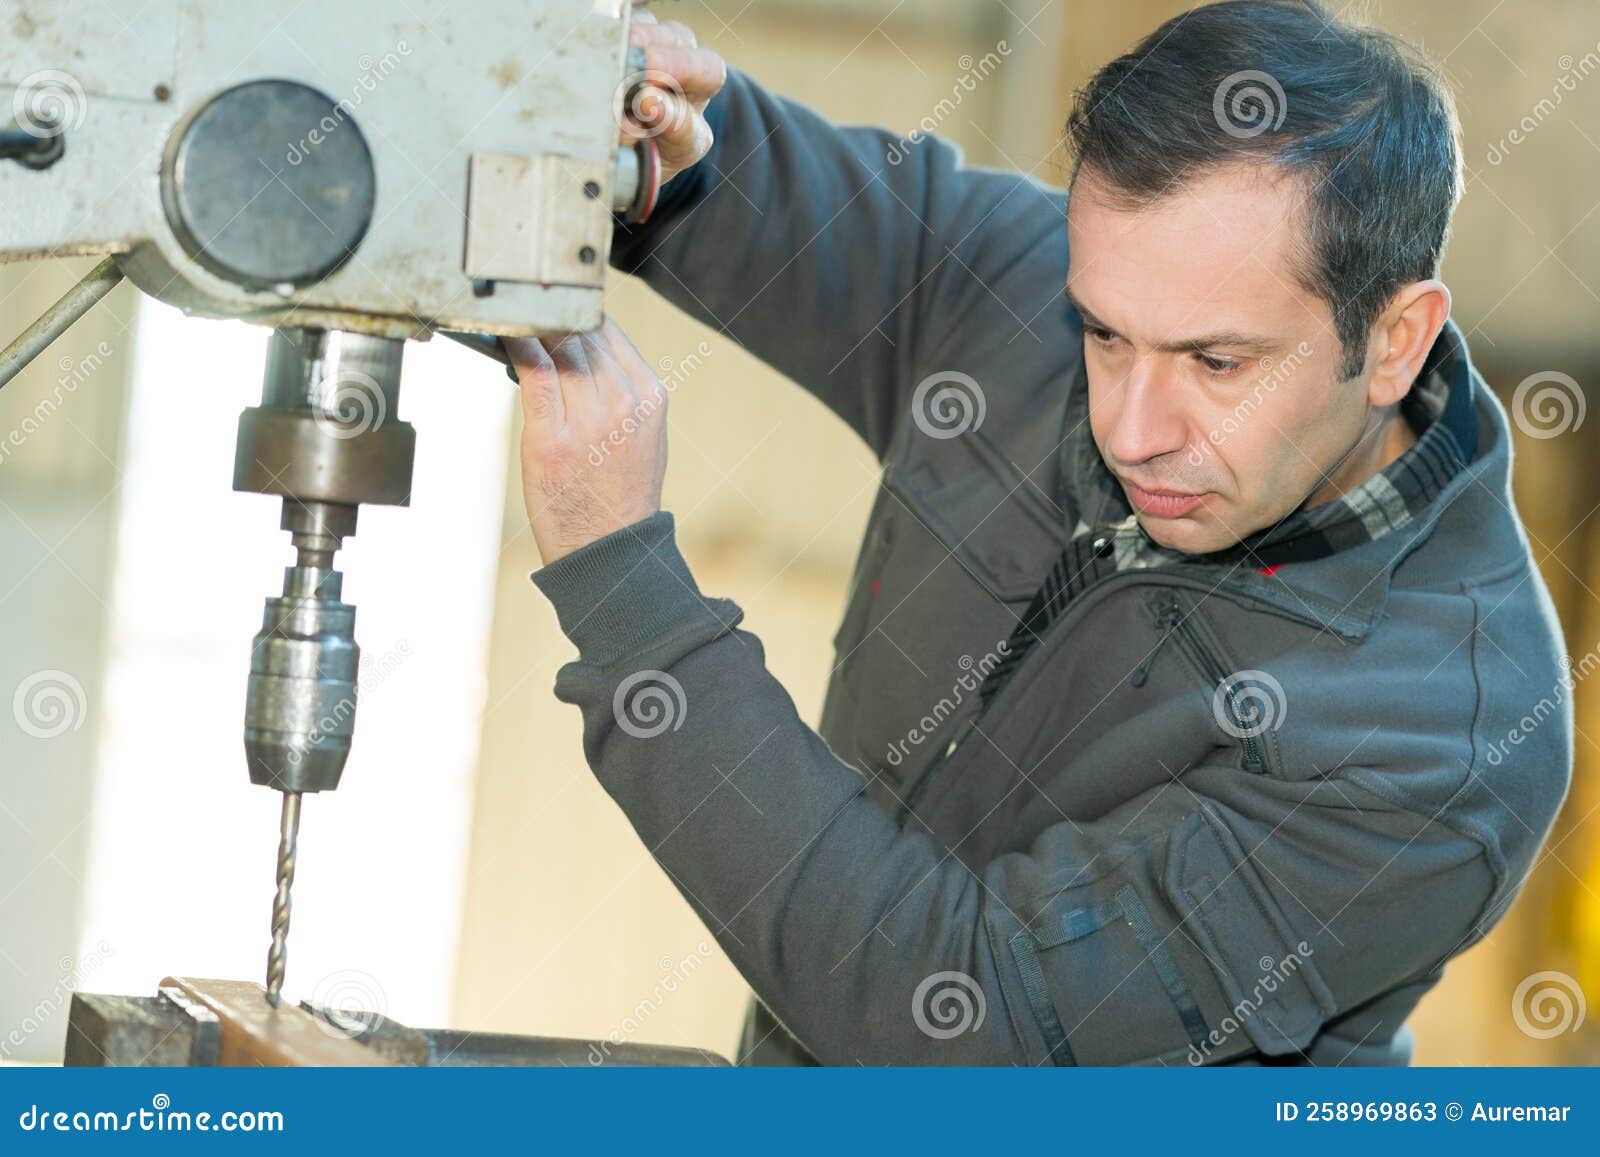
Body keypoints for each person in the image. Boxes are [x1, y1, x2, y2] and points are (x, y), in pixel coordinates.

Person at [505, 0, 1573, 1065]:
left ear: (1393, 342)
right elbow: (804, 217)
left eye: (1217, 363)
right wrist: (659, 154)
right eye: (1105, 333)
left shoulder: (1441, 740)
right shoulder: (1031, 290)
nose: (1130, 429)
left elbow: (963, 1018)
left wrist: (628, 597)